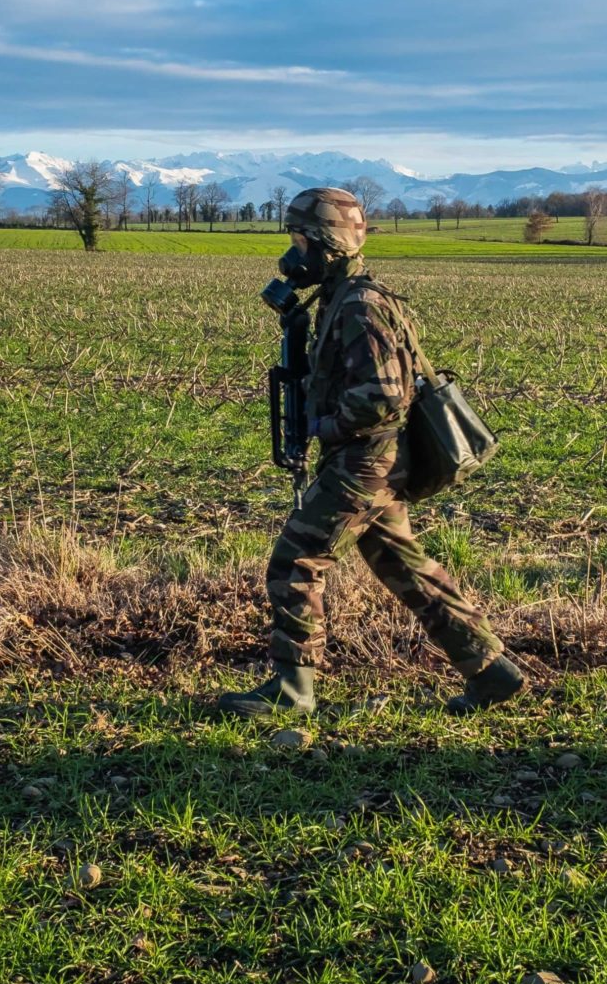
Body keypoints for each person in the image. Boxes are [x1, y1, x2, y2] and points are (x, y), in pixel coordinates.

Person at [218, 187, 526, 718]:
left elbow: (385, 397)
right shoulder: (340, 297)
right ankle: (492, 671)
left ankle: (292, 693)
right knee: (405, 568)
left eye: (300, 240)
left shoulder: (361, 305)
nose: (292, 253)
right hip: (369, 459)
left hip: (366, 459)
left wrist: (324, 424)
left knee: (296, 559)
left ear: (328, 243)